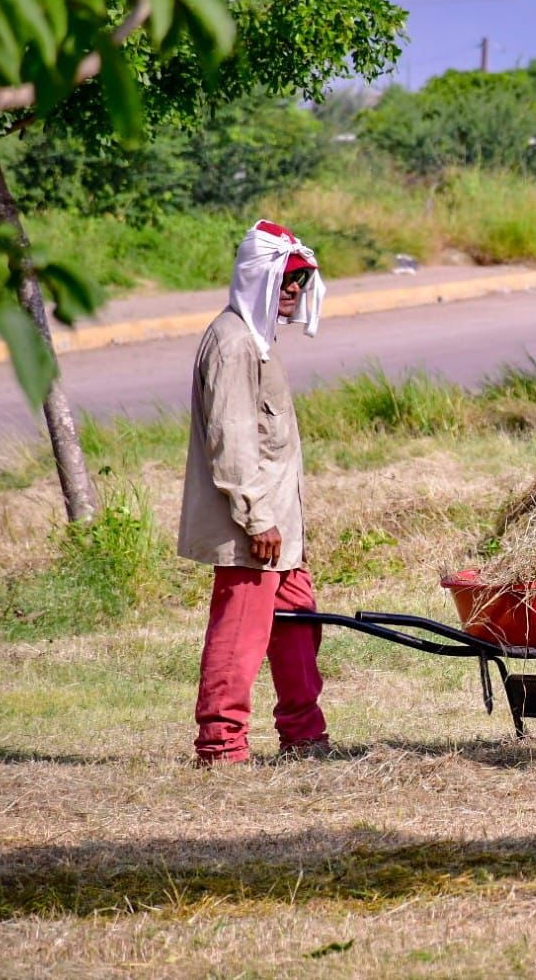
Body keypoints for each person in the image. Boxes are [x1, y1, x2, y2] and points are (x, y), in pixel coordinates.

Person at [179, 219, 331, 765]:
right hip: (255, 526)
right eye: (287, 279)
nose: (295, 291)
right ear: (259, 278)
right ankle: (221, 747)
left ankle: (305, 737)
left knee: (298, 627)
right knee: (239, 635)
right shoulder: (233, 343)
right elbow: (233, 438)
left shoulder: (258, 340)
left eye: (302, 280)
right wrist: (256, 517)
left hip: (281, 525)